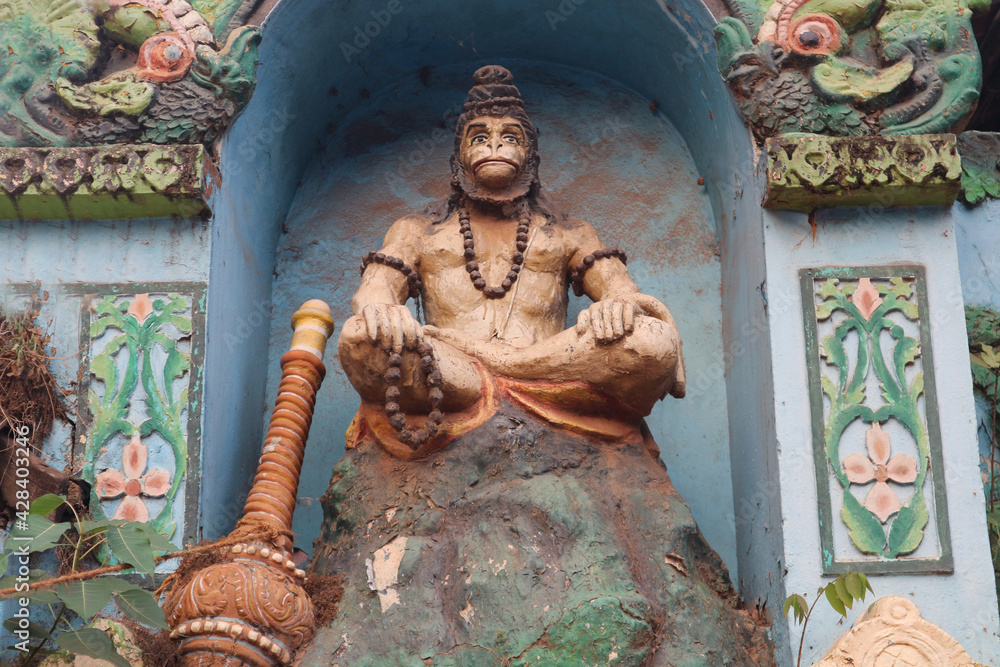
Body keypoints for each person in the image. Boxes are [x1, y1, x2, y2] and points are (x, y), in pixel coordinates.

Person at [338, 65, 685, 454]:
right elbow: (375, 288)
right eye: (480, 137)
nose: (494, 147)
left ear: (530, 154)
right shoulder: (418, 229)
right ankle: (500, 371)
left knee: (653, 342)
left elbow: (619, 286)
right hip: (453, 373)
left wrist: (616, 305)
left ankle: (510, 368)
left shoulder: (569, 231)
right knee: (359, 339)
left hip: (555, 373)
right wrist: (381, 309)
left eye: (509, 137)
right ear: (460, 157)